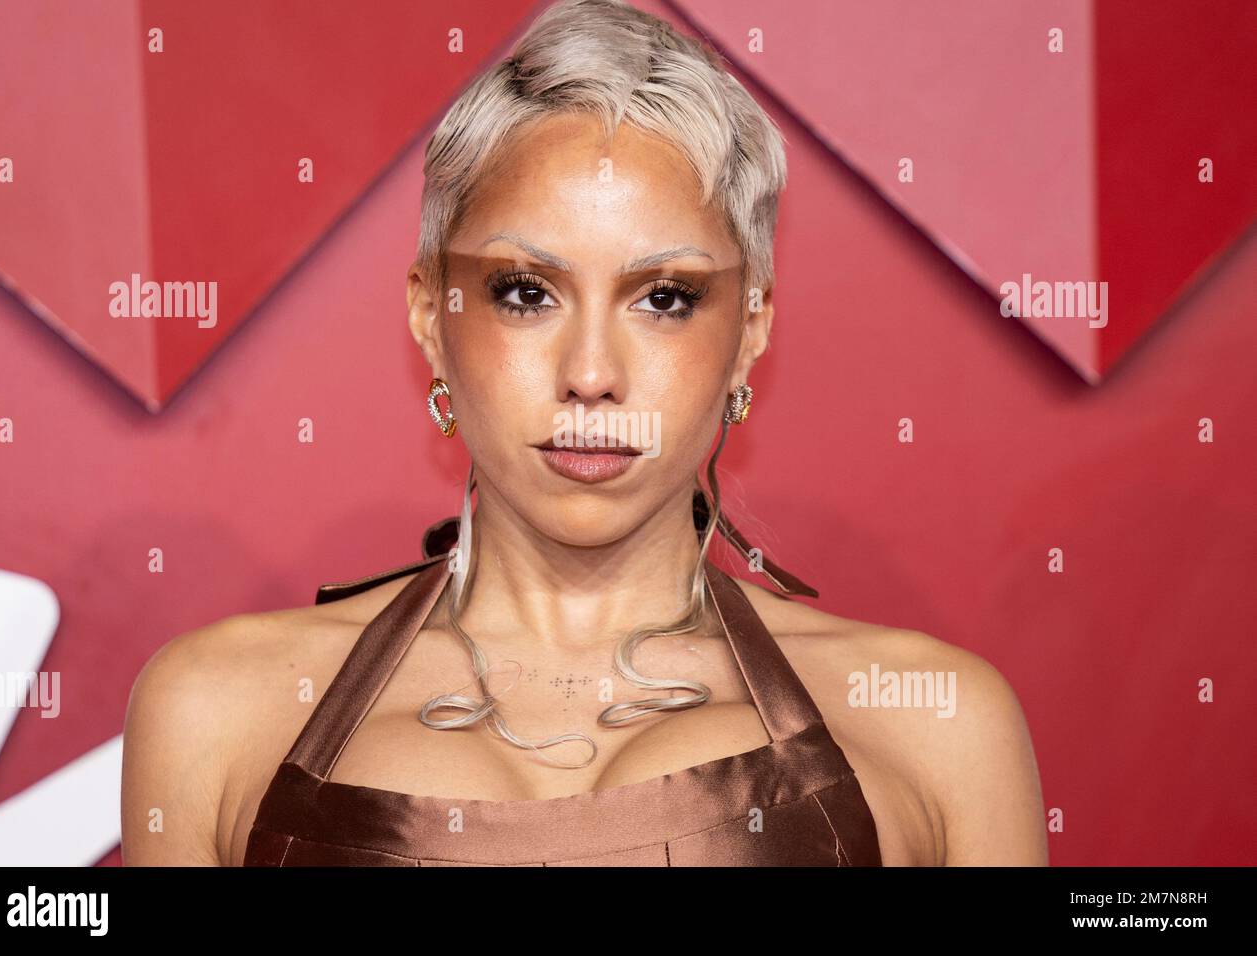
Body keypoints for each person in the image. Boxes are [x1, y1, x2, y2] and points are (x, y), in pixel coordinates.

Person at [121, 0, 1046, 867]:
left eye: (665, 298)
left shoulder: (939, 727)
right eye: (525, 293)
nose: (592, 375)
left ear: (750, 328)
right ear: (431, 316)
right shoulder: (215, 711)